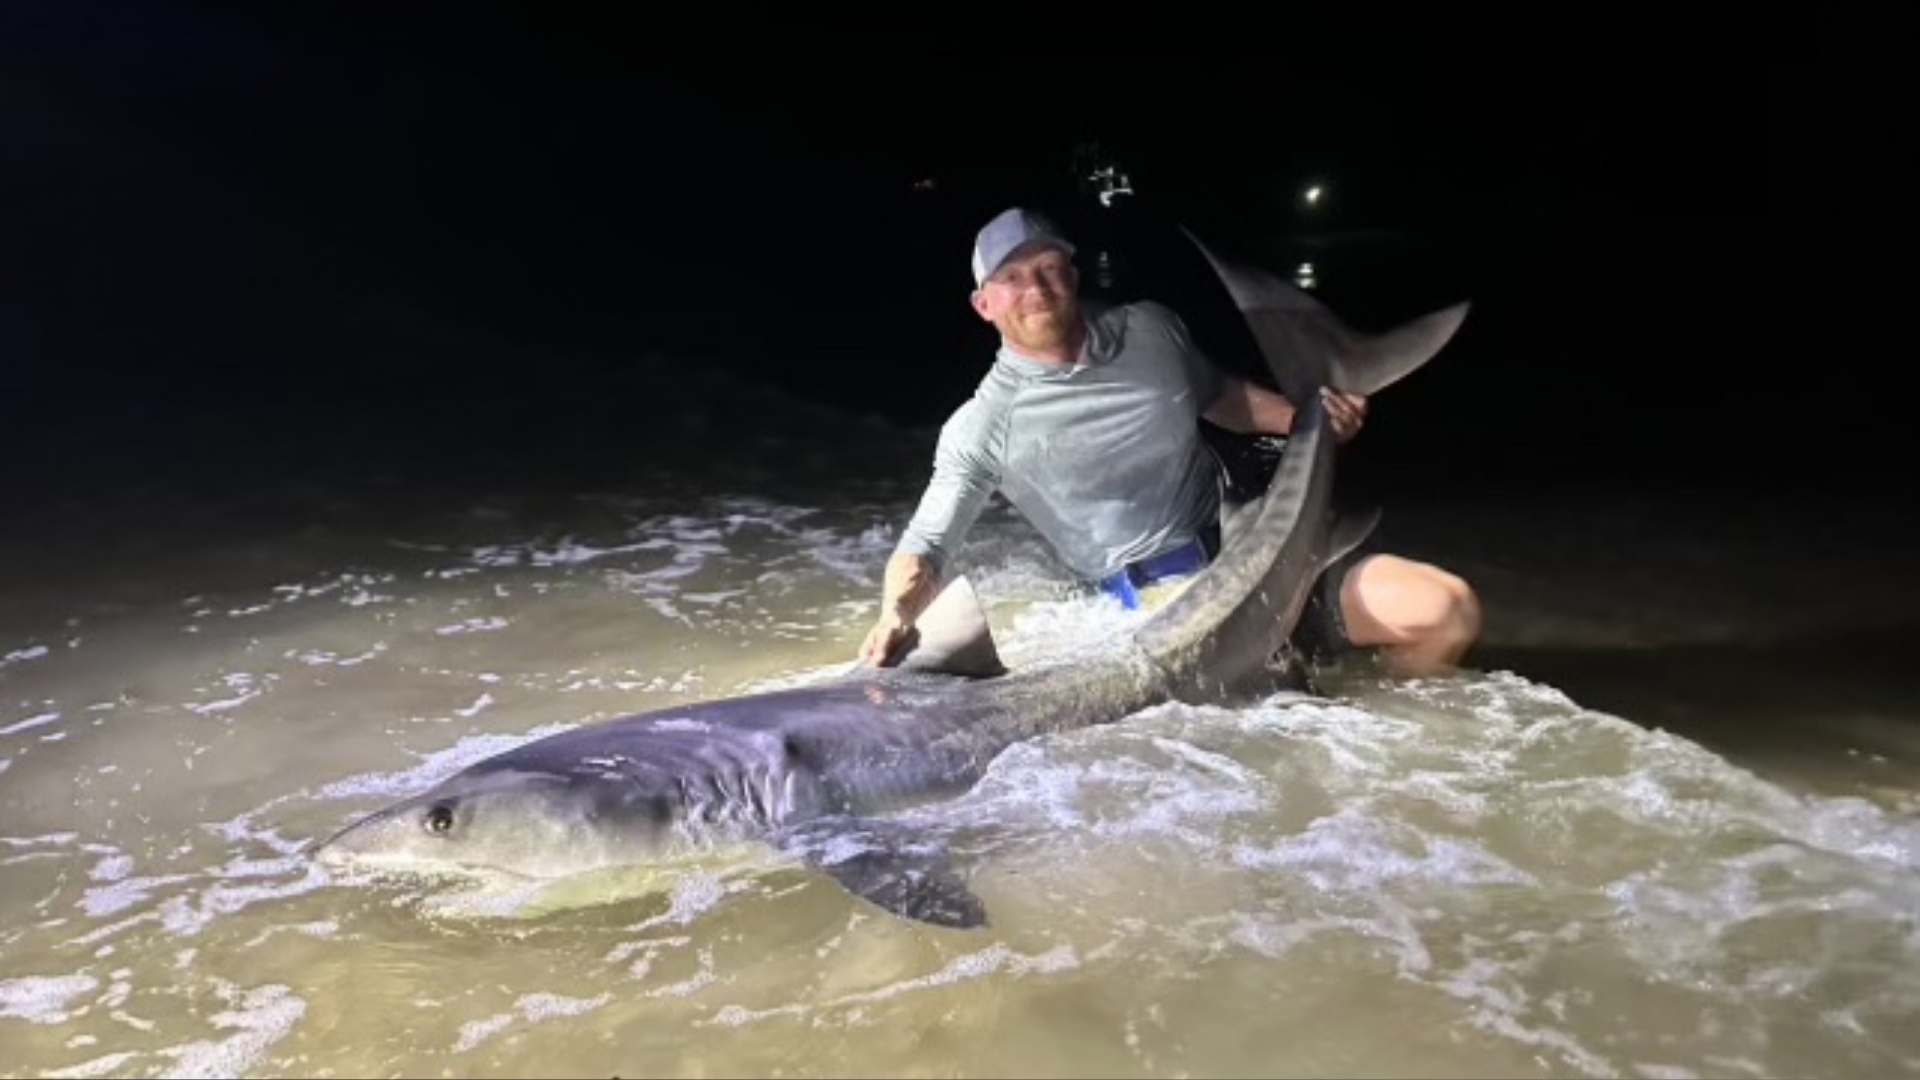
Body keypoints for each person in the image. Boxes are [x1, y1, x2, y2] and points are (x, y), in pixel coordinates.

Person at [858, 206, 1480, 678]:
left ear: (1072, 274)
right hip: (1152, 610)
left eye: (1049, 268)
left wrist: (1311, 415)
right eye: (1014, 278)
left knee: (1445, 608)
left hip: (1256, 544)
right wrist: (896, 613)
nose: (1038, 289)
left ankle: (1380, 742)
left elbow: (1224, 398)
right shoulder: (982, 425)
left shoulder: (1152, 330)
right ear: (983, 303)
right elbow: (927, 547)